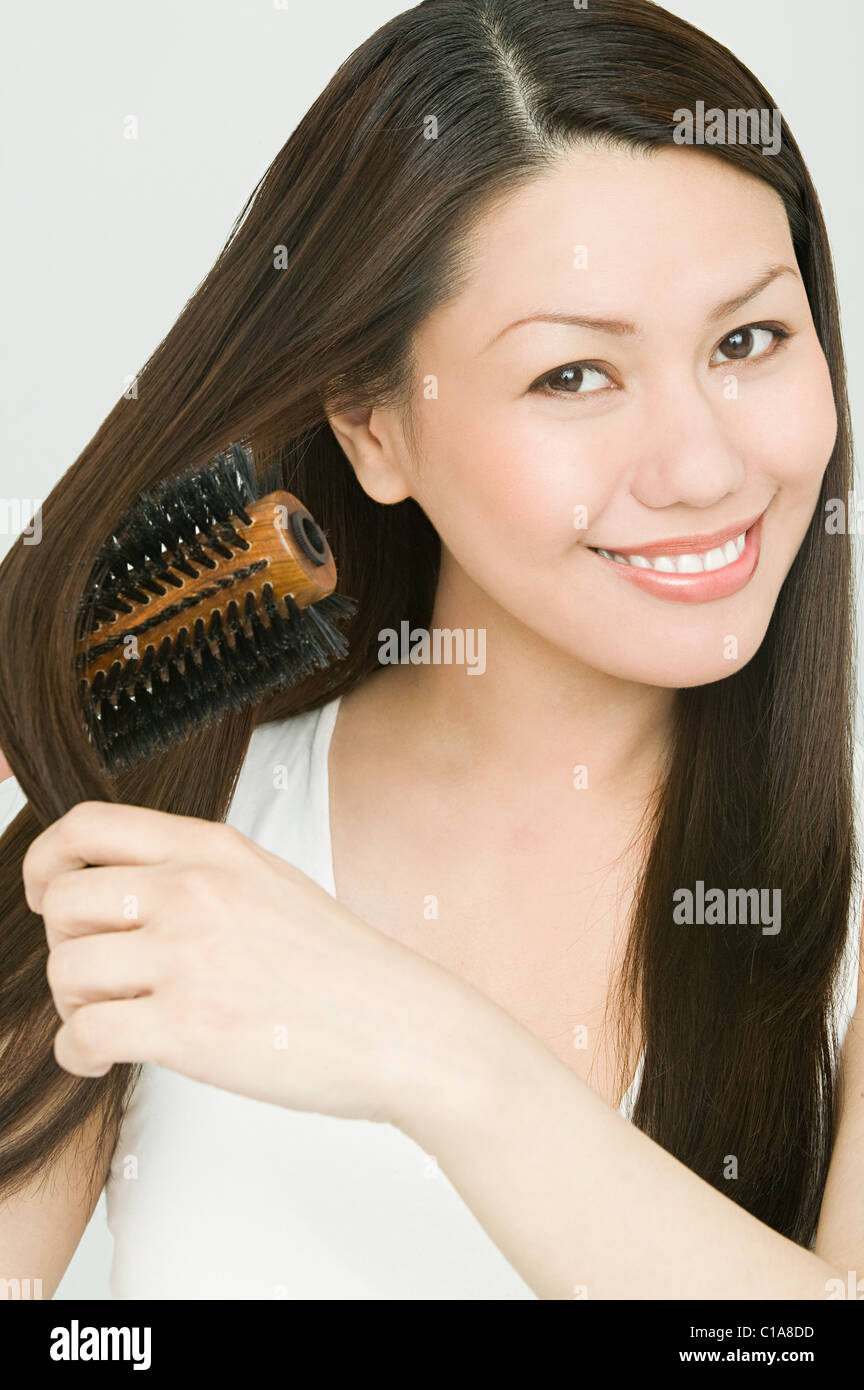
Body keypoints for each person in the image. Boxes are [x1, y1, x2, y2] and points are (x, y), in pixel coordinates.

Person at [0, 0, 860, 1300]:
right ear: (374, 429)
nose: (706, 466)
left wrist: (426, 1047)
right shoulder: (164, 837)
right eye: (574, 375)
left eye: (748, 341)